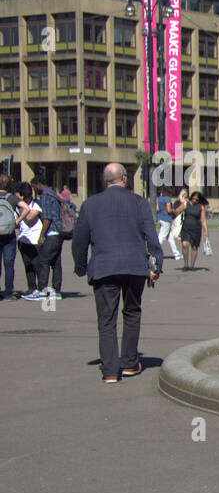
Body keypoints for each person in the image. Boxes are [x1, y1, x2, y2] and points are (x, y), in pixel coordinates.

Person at [70, 163, 163, 383]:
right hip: (134, 266)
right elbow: (151, 234)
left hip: (104, 267)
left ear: (106, 181)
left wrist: (81, 266)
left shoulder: (90, 204)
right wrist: (156, 265)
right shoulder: (139, 202)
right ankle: (130, 363)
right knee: (132, 312)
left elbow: (79, 239)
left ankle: (110, 370)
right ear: (124, 179)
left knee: (106, 319)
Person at [31, 176, 66, 300]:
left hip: (52, 233)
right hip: (60, 232)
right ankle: (56, 291)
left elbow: (47, 218)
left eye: (34, 187)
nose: (34, 190)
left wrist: (41, 236)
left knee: (43, 261)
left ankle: (42, 290)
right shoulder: (53, 193)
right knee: (56, 262)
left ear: (39, 184)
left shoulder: (46, 195)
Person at [14, 182, 44, 298]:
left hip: (35, 239)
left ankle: (41, 288)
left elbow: (29, 217)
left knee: (37, 264)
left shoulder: (35, 204)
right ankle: (31, 287)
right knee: (27, 265)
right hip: (23, 239)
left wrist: (22, 208)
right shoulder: (19, 206)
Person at [0, 173, 18, 300]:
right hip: (9, 234)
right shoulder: (11, 197)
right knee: (9, 264)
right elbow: (26, 208)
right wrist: (16, 222)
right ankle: (9, 291)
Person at [180, 192, 208, 270]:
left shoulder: (201, 207)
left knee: (194, 247)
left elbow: (203, 220)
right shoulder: (186, 204)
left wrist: (206, 231)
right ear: (191, 197)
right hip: (186, 228)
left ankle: (192, 266)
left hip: (196, 229)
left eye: (197, 199)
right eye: (193, 198)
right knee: (184, 244)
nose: (195, 200)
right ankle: (186, 265)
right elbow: (178, 211)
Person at [155, 187, 181, 260]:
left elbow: (157, 209)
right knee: (161, 237)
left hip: (160, 218)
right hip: (166, 219)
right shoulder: (167, 199)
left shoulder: (159, 198)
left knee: (170, 238)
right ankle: (154, 252)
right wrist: (175, 210)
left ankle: (176, 254)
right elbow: (169, 210)